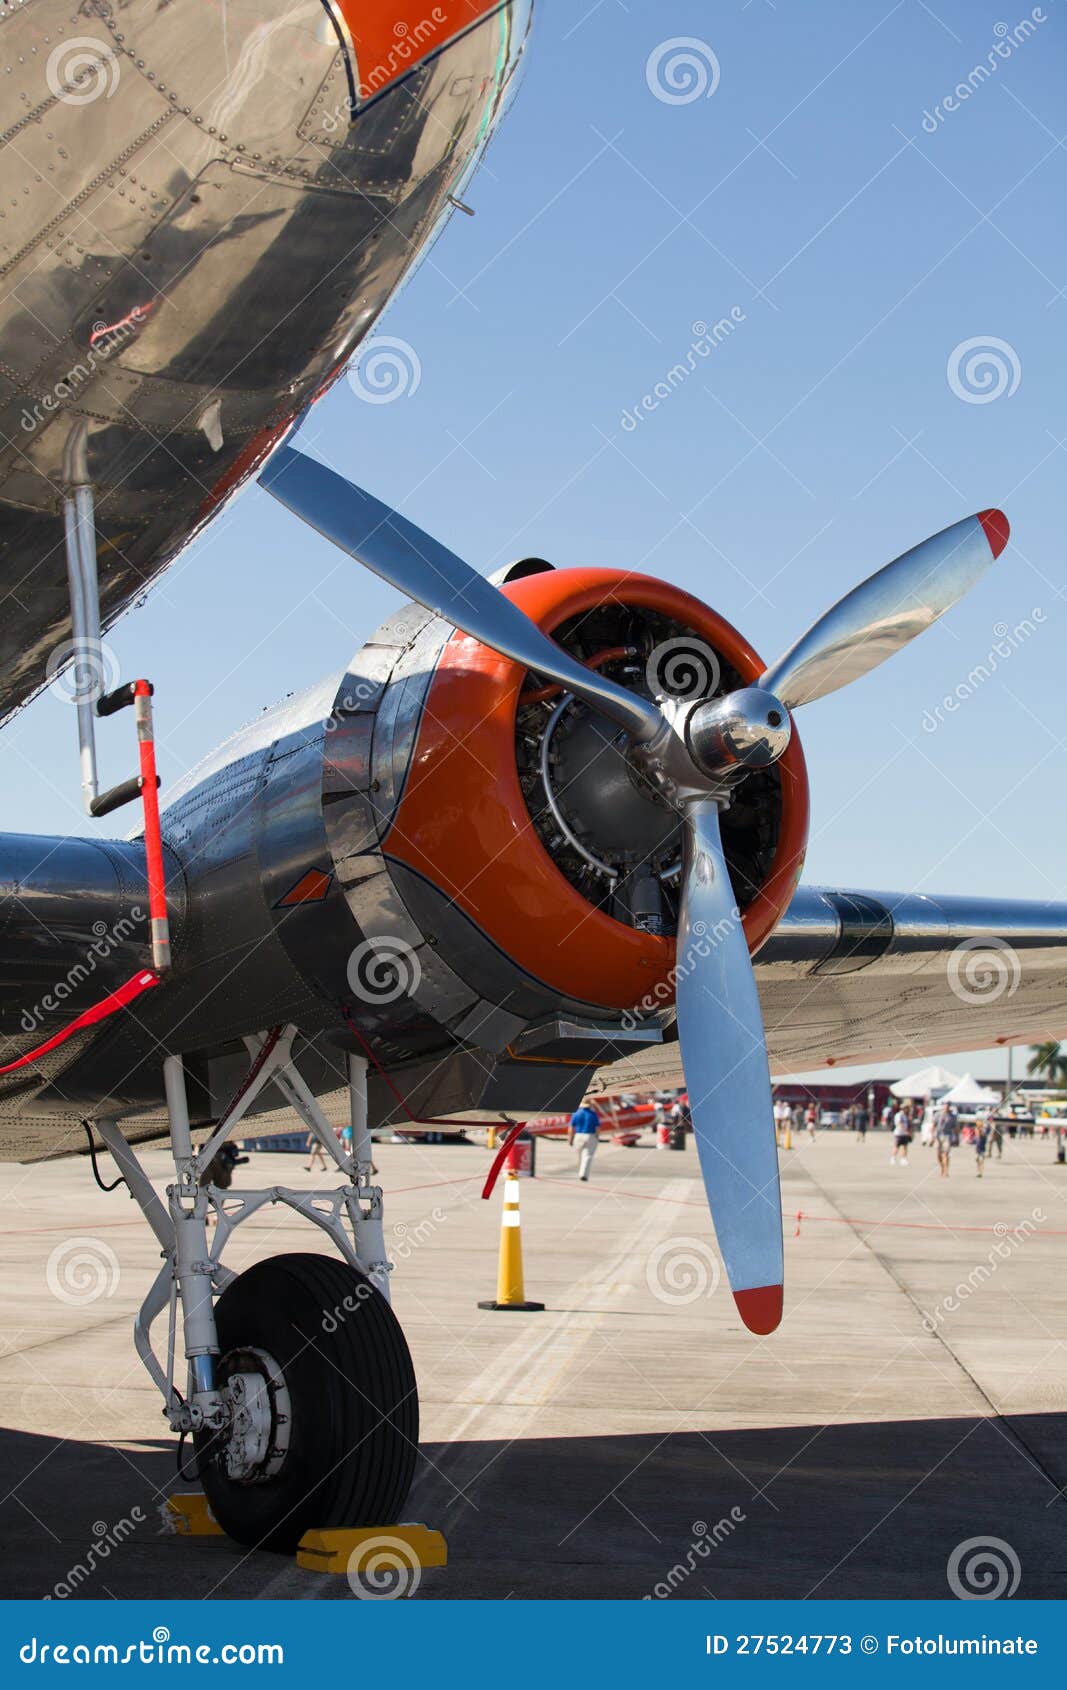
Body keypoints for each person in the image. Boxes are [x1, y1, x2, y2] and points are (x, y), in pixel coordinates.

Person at [569, 1098, 601, 1181]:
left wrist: (570, 1139)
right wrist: (597, 1137)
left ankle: (581, 1172)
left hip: (578, 1136)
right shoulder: (593, 1114)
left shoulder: (576, 1113)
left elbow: (571, 1127)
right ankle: (583, 1174)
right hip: (590, 1135)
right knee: (587, 1156)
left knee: (580, 1156)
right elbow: (597, 1128)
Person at [934, 1102, 954, 1177]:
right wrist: (932, 1137)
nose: (946, 1107)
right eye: (945, 1106)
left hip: (947, 1136)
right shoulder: (937, 1114)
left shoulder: (952, 1116)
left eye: (948, 1106)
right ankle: (942, 1167)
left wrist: (957, 1138)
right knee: (938, 1155)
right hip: (938, 1135)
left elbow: (955, 1127)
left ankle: (946, 1171)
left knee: (946, 1154)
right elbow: (933, 1125)